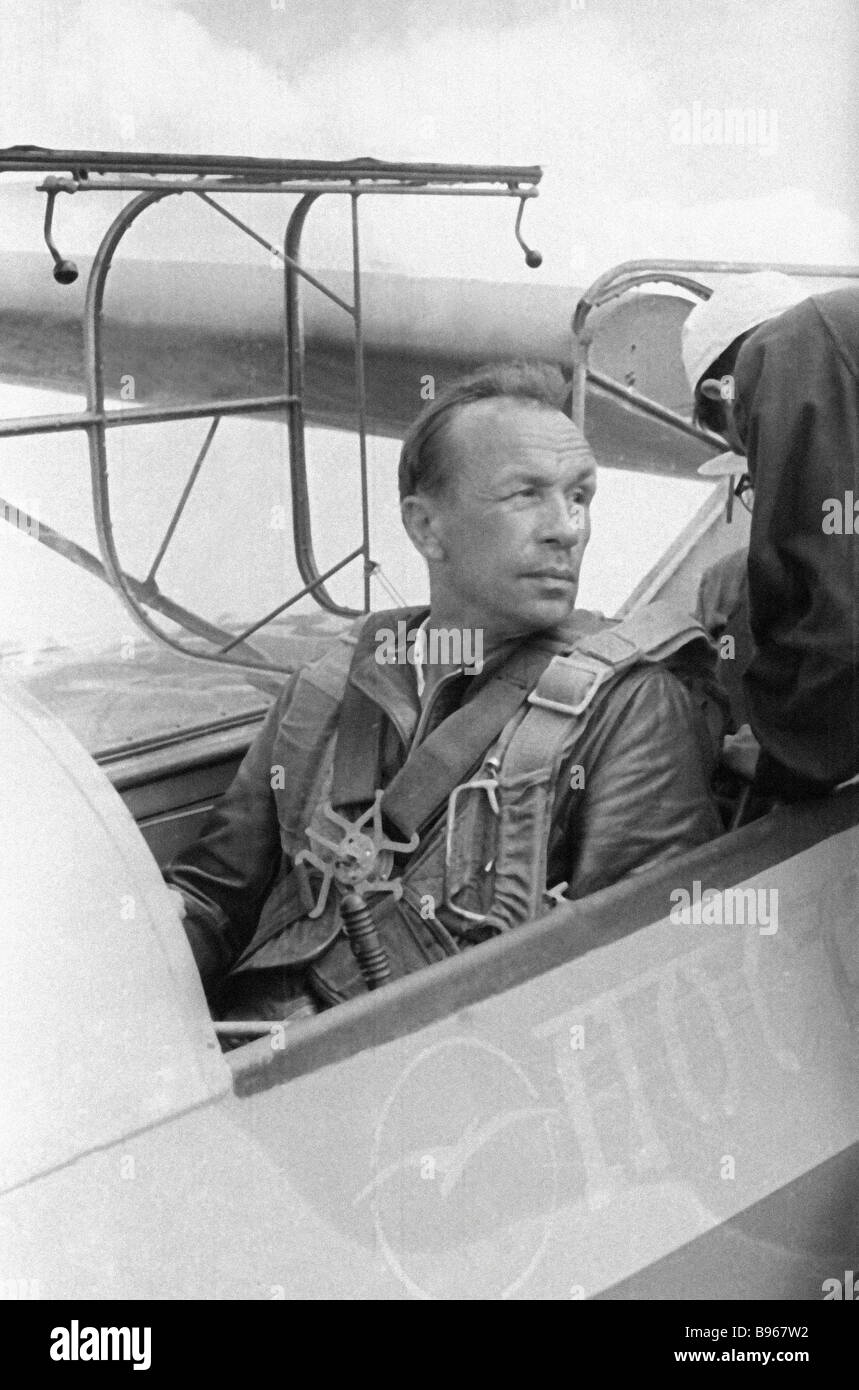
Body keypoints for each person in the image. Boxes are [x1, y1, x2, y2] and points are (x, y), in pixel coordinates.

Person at [165, 361, 724, 1023]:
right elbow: (210, 899)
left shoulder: (628, 707)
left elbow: (641, 978)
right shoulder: (330, 684)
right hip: (246, 1049)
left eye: (579, 497)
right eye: (525, 495)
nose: (567, 528)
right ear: (426, 527)